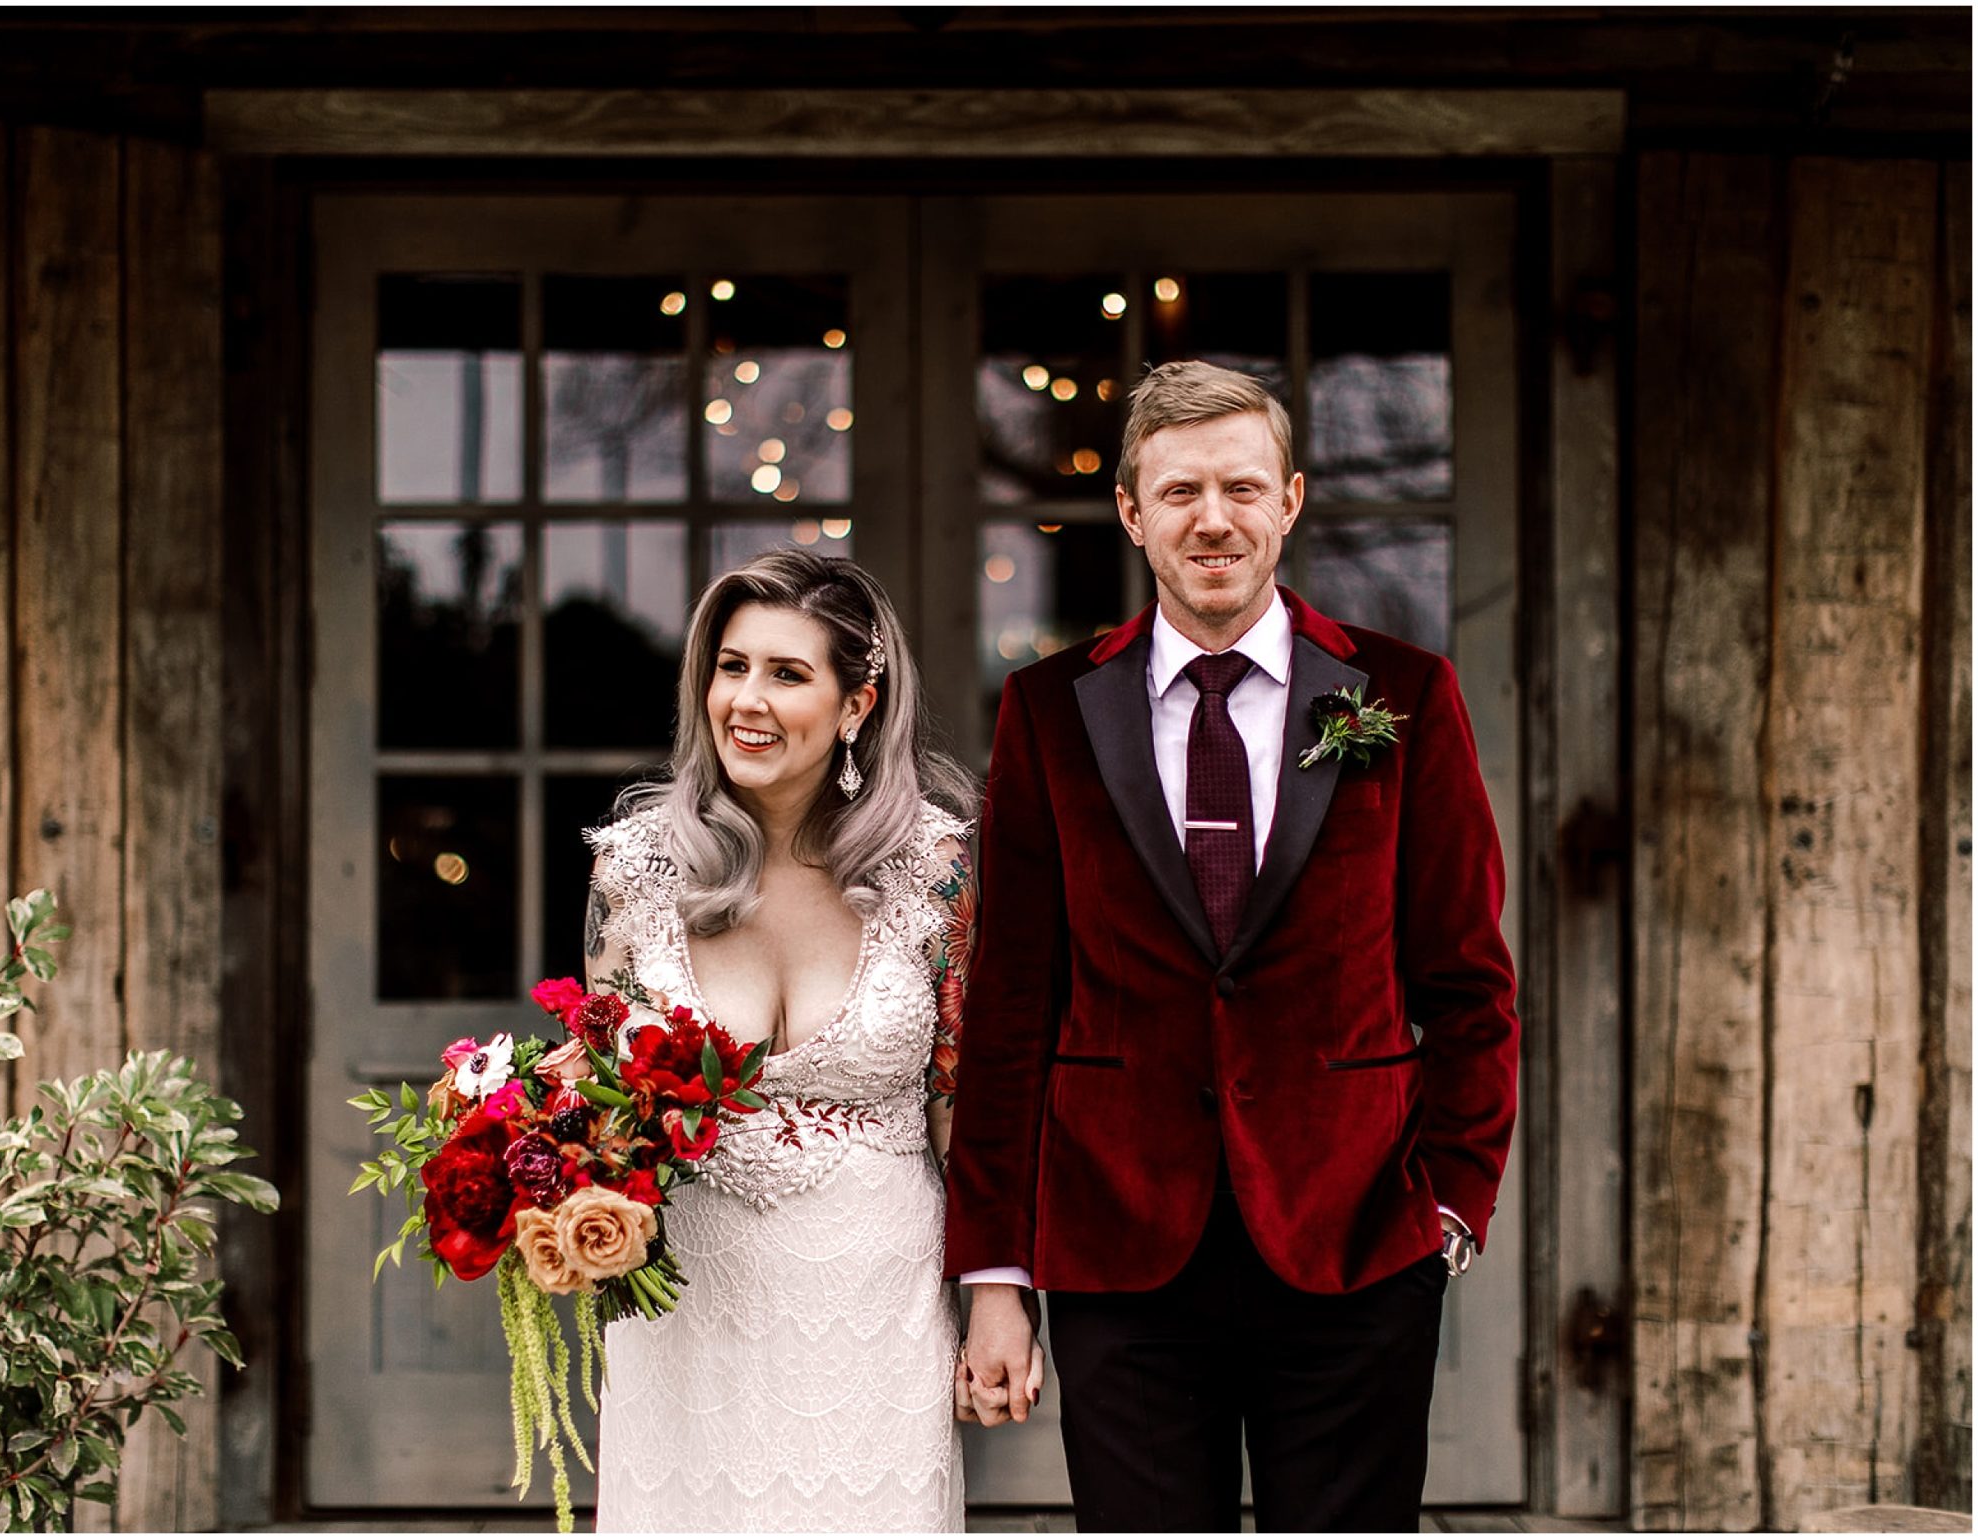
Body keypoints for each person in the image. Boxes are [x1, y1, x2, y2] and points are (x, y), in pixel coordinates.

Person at [946, 361, 1521, 1532]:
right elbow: (1010, 1006)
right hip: (1119, 1251)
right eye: (1180, 493)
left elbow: (1466, 984)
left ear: (1290, 501)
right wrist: (996, 1275)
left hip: (1358, 1238)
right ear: (1131, 513)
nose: (1213, 519)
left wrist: (1450, 1203)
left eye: (1242, 489)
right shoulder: (1050, 712)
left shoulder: (1403, 694)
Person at [582, 550, 1009, 1532]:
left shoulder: (932, 872)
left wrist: (996, 1297)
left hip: (874, 1303)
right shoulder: (633, 872)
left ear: (858, 703)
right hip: (684, 1309)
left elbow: (964, 1103)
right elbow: (596, 1099)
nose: (746, 699)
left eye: (786, 673)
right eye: (731, 667)